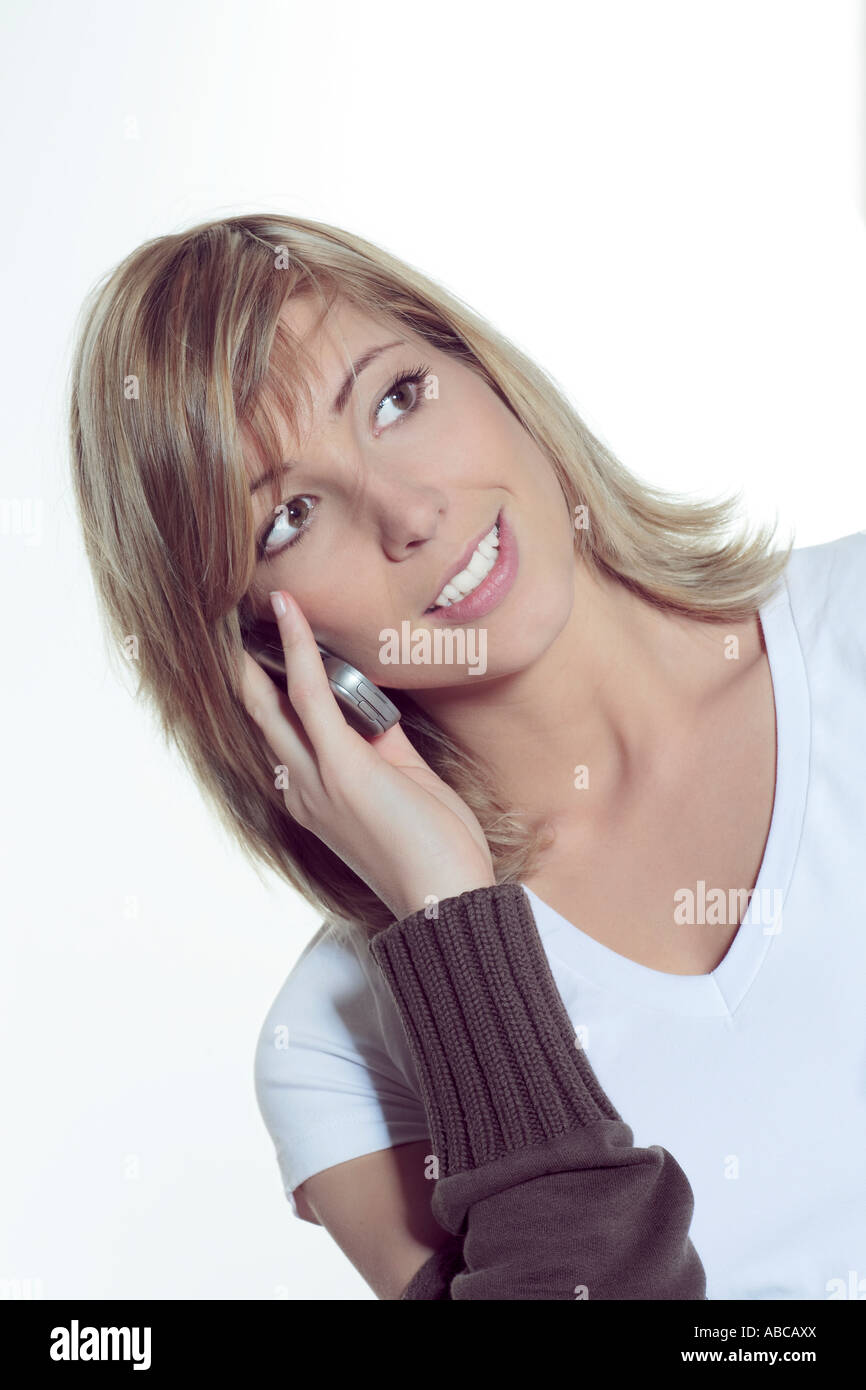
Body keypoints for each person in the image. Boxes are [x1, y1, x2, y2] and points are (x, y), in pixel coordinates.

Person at [68, 213, 866, 1300]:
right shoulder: (334, 1049)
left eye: (396, 398)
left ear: (476, 367)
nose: (408, 513)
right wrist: (454, 925)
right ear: (250, 647)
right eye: (291, 517)